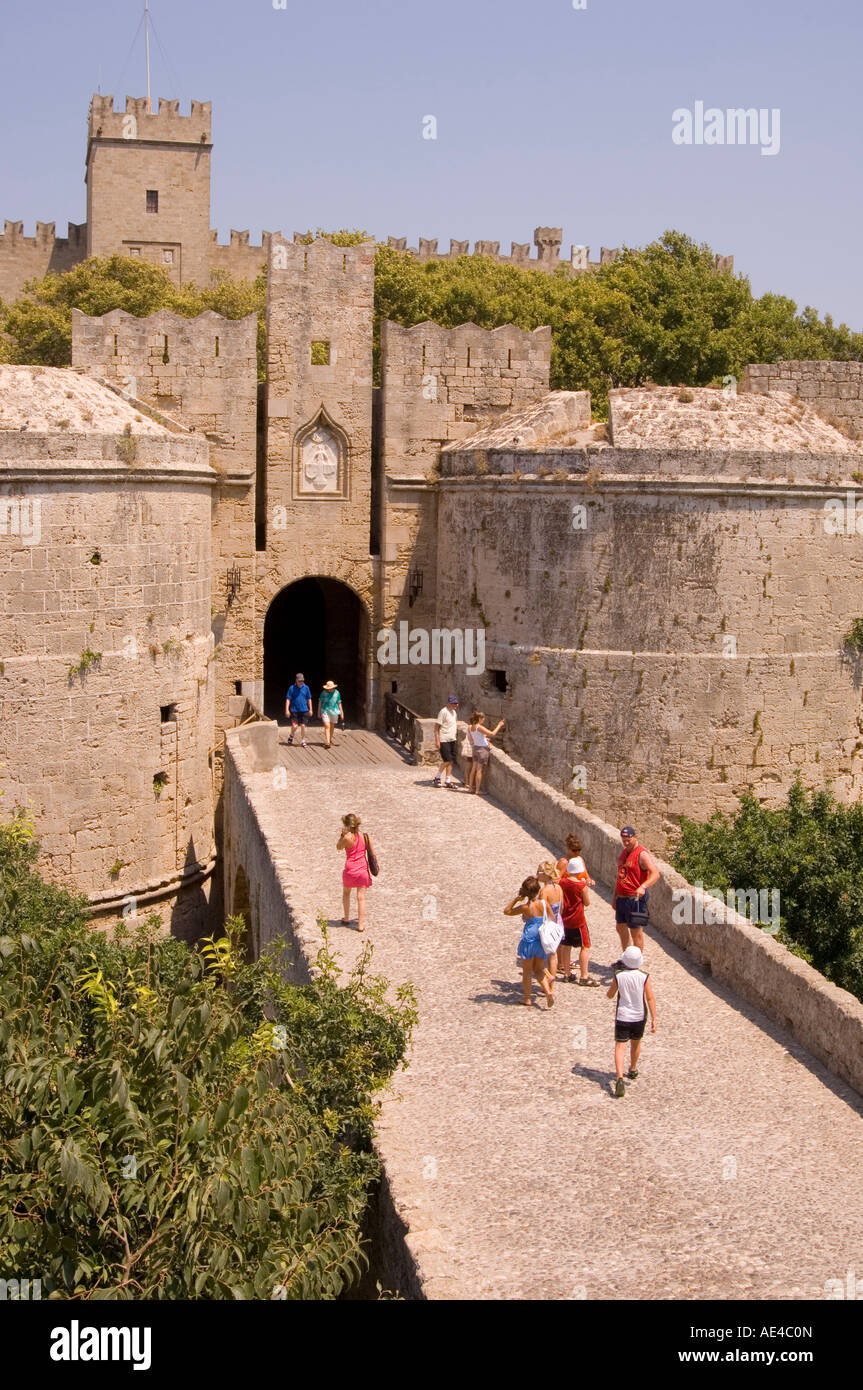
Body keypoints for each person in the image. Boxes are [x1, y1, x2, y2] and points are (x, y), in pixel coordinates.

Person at [606, 945, 657, 1097]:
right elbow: (650, 998)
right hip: (639, 1016)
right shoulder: (644, 976)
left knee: (620, 1046)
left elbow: (610, 994)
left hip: (623, 1015)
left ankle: (620, 1077)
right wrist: (654, 1018)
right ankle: (633, 1068)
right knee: (636, 1043)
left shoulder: (619, 976)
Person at [504, 877, 555, 1009]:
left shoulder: (525, 907)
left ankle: (527, 998)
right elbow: (552, 918)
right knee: (539, 969)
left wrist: (516, 899)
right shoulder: (544, 904)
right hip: (541, 940)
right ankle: (548, 991)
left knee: (527, 971)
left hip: (529, 940)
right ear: (538, 890)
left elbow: (507, 911)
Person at [612, 825, 660, 953]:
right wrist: (614, 897)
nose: (626, 843)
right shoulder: (624, 852)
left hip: (635, 899)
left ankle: (636, 961)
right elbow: (620, 876)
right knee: (621, 927)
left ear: (635, 837)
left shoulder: (641, 854)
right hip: (622, 898)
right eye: (624, 840)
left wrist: (643, 886)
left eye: (628, 840)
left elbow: (655, 873)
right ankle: (627, 958)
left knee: (636, 931)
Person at [559, 857, 598, 985]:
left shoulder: (562, 882)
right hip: (578, 920)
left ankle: (566, 973)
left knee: (566, 945)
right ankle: (584, 976)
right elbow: (587, 903)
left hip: (565, 919)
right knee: (585, 946)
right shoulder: (581, 886)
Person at [337, 813, 374, 932]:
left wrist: (342, 836)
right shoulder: (365, 837)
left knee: (346, 893)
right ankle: (360, 924)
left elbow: (338, 847)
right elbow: (372, 852)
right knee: (361, 897)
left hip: (350, 869)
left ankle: (346, 917)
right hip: (362, 869)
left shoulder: (347, 838)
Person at [536, 861, 564, 981]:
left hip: (547, 923)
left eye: (539, 872)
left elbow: (542, 909)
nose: (537, 874)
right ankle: (551, 982)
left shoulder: (544, 891)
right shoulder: (558, 887)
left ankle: (546, 979)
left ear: (546, 874)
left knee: (542, 956)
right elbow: (561, 907)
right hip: (558, 922)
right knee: (553, 957)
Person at [466, 710, 505, 794]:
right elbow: (492, 734)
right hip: (482, 749)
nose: (484, 720)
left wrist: (484, 739)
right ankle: (477, 790)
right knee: (479, 770)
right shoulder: (479, 727)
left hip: (475, 748)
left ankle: (470, 788)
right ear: (479, 718)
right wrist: (499, 725)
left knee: (474, 769)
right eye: (483, 718)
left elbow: (475, 738)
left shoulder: (470, 727)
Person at [433, 695, 461, 788]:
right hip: (444, 739)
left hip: (452, 739)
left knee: (451, 761)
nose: (456, 705)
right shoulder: (443, 712)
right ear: (449, 703)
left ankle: (448, 780)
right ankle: (437, 777)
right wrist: (437, 740)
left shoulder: (454, 712)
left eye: (456, 703)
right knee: (447, 760)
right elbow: (436, 727)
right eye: (454, 703)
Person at [285, 671, 313, 746]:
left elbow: (309, 698)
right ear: (296, 680)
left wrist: (310, 709)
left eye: (302, 681)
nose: (301, 682)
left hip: (304, 710)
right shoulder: (292, 688)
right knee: (295, 726)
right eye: (299, 681)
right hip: (294, 711)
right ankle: (291, 735)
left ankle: (303, 740)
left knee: (303, 726)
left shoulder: (306, 688)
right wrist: (287, 710)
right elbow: (288, 699)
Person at [318, 680, 343, 749]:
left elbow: (339, 702)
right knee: (327, 725)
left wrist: (342, 713)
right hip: (325, 710)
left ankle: (330, 739)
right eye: (328, 688)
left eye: (331, 688)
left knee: (332, 726)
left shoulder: (337, 693)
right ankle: (327, 742)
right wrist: (319, 712)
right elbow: (320, 702)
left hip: (334, 711)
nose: (329, 689)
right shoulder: (323, 693)